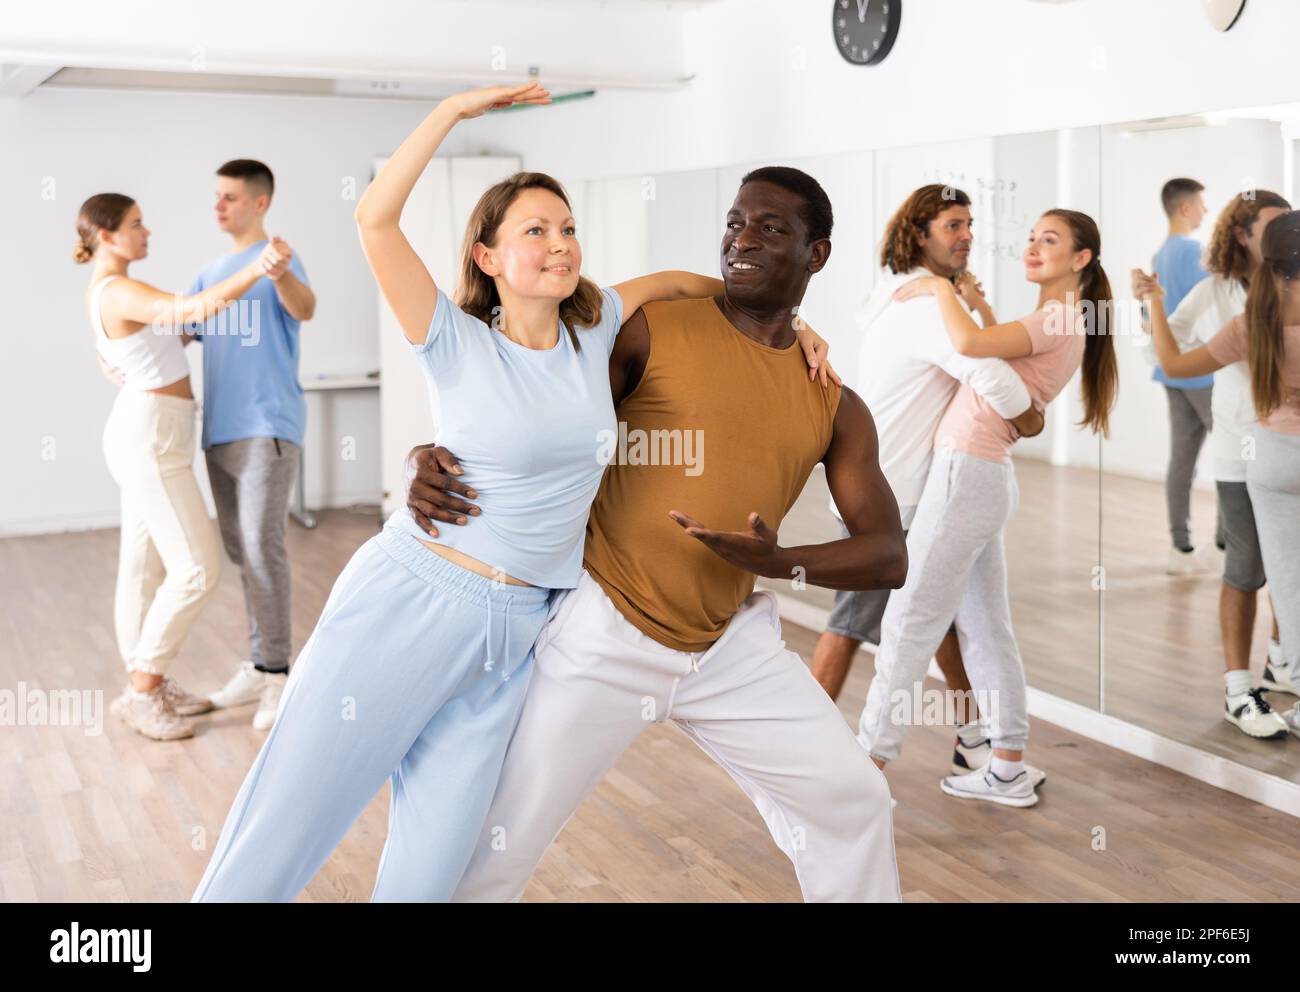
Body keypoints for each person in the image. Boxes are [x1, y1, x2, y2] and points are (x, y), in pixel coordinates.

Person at [191, 82, 829, 902]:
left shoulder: (593, 329)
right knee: (289, 819)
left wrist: (799, 327)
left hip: (515, 638)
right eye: (535, 231)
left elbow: (690, 282)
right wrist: (453, 115)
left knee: (435, 867)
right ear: (489, 257)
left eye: (567, 228)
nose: (559, 244)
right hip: (414, 602)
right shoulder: (451, 340)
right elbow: (374, 222)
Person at [409, 165, 911, 903]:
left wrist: (783, 562)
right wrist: (426, 454)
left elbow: (888, 554)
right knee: (500, 840)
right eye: (735, 222)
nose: (742, 239)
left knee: (854, 803)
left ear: (818, 254)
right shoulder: (651, 331)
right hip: (605, 630)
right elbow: (521, 413)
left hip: (730, 645)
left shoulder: (834, 402)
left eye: (771, 228)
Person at [858, 209, 1118, 807]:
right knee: (985, 629)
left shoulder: (1056, 315)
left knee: (909, 620)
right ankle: (1006, 767)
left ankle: (865, 766)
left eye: (1049, 241)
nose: (1032, 247)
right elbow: (1007, 360)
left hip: (966, 472)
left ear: (1080, 259)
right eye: (1030, 237)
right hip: (983, 476)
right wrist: (976, 303)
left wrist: (938, 289)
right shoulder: (1059, 317)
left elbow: (972, 347)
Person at [809, 184, 1045, 784]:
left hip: (890, 485)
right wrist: (1029, 418)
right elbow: (994, 378)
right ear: (920, 234)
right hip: (893, 495)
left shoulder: (898, 296)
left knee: (937, 617)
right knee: (854, 624)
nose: (966, 234)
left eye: (969, 224)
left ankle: (971, 737)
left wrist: (965, 302)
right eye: (952, 225)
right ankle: (802, 753)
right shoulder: (924, 307)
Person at [77, 192, 281, 740]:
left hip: (152, 430)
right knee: (196, 568)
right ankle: (143, 690)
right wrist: (257, 270)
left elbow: (175, 328)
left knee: (143, 567)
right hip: (150, 436)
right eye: (136, 225)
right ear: (106, 235)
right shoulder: (118, 289)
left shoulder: (115, 290)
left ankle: (148, 680)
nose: (147, 233)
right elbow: (190, 310)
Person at [1135, 190, 1294, 738]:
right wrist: (1153, 304)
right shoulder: (1216, 295)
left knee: (1290, 571)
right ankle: (1237, 688)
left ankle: (1283, 663)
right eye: (1267, 228)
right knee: (1247, 569)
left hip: (1282, 453)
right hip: (1241, 450)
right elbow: (1167, 353)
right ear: (1242, 236)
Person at [194, 160, 317, 730]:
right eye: (216, 197)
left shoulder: (279, 261)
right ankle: (259, 663)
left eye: (230, 197)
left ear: (260, 202)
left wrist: (281, 273)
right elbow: (178, 326)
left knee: (262, 550)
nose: (219, 206)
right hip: (217, 432)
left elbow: (304, 308)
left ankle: (278, 674)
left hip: (268, 427)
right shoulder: (212, 271)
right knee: (242, 553)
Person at [1151, 177, 1221, 575]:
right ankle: (1225, 545)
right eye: (1201, 204)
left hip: (1171, 370)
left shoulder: (1160, 254)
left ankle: (1181, 547)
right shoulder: (1196, 252)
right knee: (1234, 460)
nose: (1206, 212)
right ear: (1184, 208)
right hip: (1201, 372)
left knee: (1182, 460)